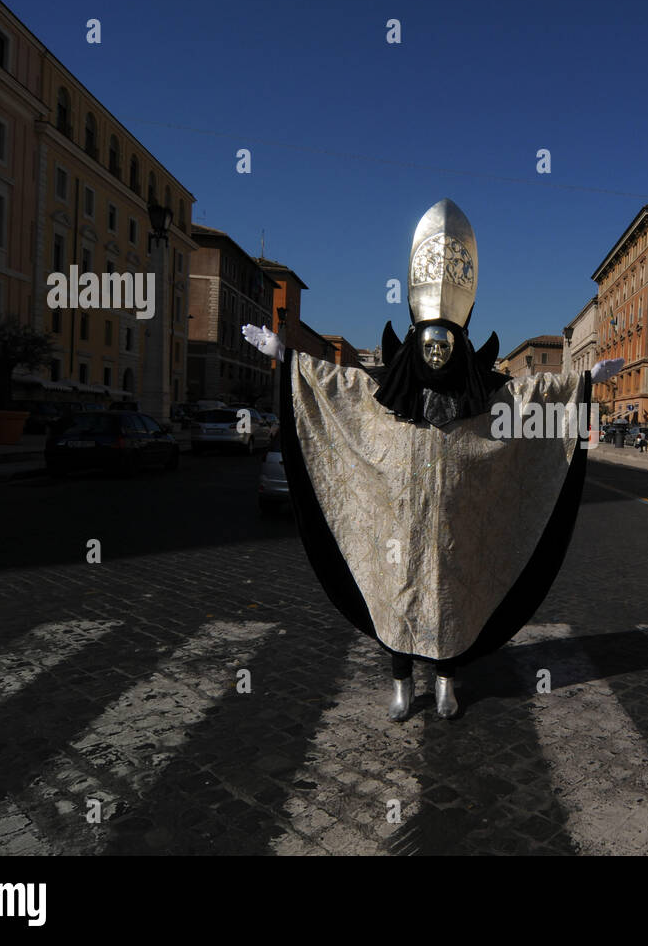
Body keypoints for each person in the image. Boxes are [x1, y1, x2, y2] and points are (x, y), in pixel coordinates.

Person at [244, 199, 623, 722]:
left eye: (447, 352)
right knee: (398, 596)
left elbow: (530, 394)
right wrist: (286, 357)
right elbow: (341, 387)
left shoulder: (482, 405)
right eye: (429, 351)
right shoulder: (387, 400)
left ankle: (446, 680)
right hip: (398, 527)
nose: (437, 361)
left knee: (449, 600)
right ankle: (401, 680)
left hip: (454, 527)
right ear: (415, 350)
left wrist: (583, 381)